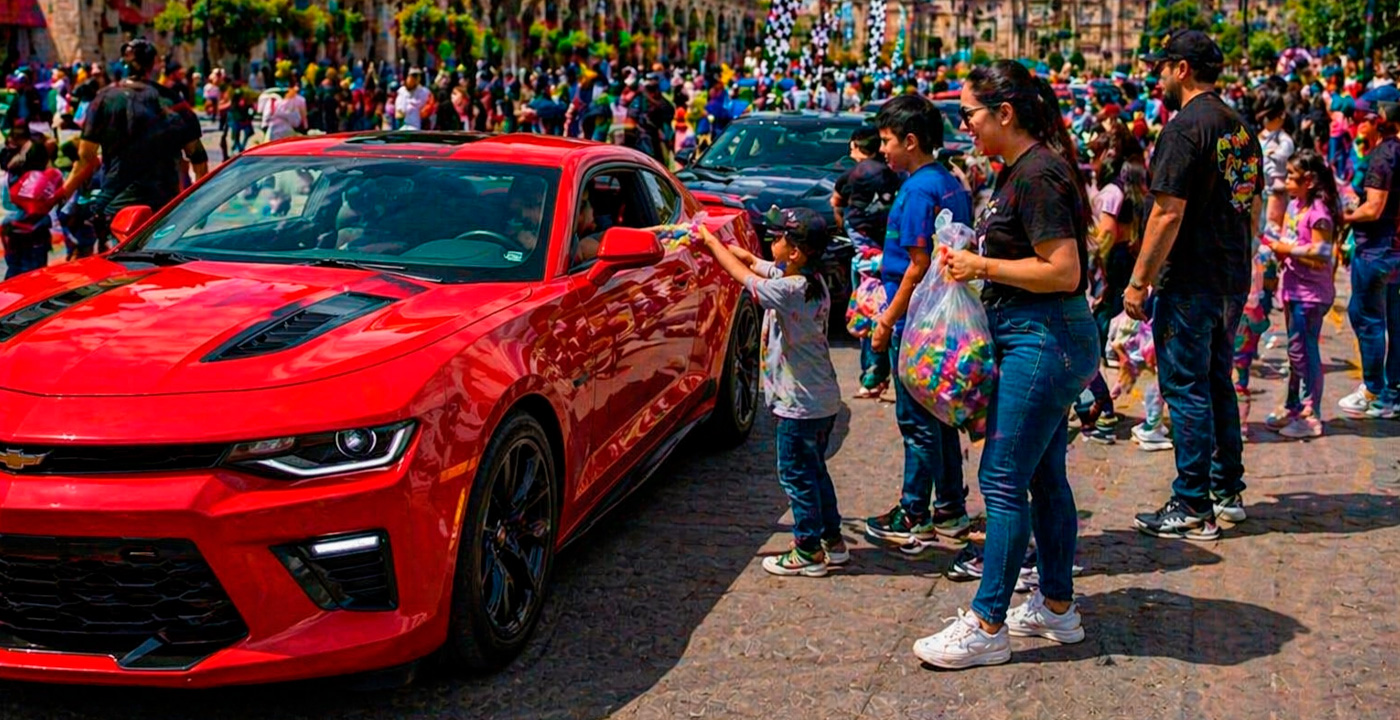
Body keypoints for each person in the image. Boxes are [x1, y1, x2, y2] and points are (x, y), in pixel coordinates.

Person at [912, 60, 1099, 670]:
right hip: (1041, 335)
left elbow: (1063, 271)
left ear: (1004, 113)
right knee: (1043, 475)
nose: (965, 126)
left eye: (969, 115)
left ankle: (988, 622)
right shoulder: (1023, 171)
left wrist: (981, 268)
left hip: (1044, 338)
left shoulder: (1038, 173)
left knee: (1000, 478)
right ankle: (1056, 606)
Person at [1125, 30, 1262, 541]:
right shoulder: (1239, 127)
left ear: (1182, 69)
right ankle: (1226, 489)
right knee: (1216, 380)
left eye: (1162, 67)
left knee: (1185, 387)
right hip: (1230, 275)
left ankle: (1192, 503)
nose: (1158, 77)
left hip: (1192, 279)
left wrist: (1138, 282)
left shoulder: (1185, 129)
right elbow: (1251, 207)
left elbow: (1166, 213)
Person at [697, 209, 844, 577]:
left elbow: (744, 276)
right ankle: (832, 539)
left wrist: (713, 244)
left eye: (779, 237)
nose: (772, 241)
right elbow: (755, 263)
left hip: (799, 405)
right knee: (815, 471)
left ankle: (808, 550)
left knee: (795, 475)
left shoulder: (789, 290)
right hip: (821, 400)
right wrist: (735, 247)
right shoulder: (810, 280)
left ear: (795, 252)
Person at [863, 95, 971, 546]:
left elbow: (916, 264)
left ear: (911, 141)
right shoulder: (951, 182)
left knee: (917, 421)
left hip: (916, 319)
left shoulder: (915, 191)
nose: (882, 150)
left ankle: (914, 512)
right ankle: (949, 507)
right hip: (942, 315)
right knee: (940, 416)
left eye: (887, 142)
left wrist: (887, 321)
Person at [47, 39, 207, 246]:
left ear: (124, 64)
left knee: (122, 267)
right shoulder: (173, 101)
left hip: (119, 205)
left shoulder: (104, 99)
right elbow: (198, 156)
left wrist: (63, 193)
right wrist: (200, 204)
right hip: (164, 204)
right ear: (154, 64)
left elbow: (85, 159)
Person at [1259, 149, 1340, 438]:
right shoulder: (1295, 206)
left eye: (1292, 176)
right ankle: (1294, 405)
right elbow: (1291, 239)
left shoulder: (1319, 213)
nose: (1286, 181)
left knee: (1305, 351)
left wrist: (1286, 249)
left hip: (1311, 295)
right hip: (1292, 289)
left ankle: (1311, 413)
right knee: (1295, 352)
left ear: (1308, 180)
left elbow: (1321, 252)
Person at [1338, 95, 1400, 418]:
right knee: (1394, 320)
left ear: (1378, 121)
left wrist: (1344, 217)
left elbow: (1374, 208)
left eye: (1361, 118)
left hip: (1378, 250)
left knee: (1365, 316)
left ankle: (1373, 389)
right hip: (1394, 250)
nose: (1355, 124)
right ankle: (1392, 392)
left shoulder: (1382, 157)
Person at [831, 126, 902, 399]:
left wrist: (847, 228)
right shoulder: (896, 174)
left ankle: (872, 376)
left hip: (865, 262)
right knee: (889, 315)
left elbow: (836, 203)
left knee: (866, 317)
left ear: (857, 147)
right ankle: (887, 374)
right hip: (893, 257)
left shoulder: (851, 176)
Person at [1257, 90, 1294, 231]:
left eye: (1269, 117)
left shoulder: (1285, 140)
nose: (1266, 120)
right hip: (1261, 188)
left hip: (1276, 189)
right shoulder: (1264, 135)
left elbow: (1283, 157)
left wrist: (1271, 154)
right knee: (1260, 228)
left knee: (1273, 227)